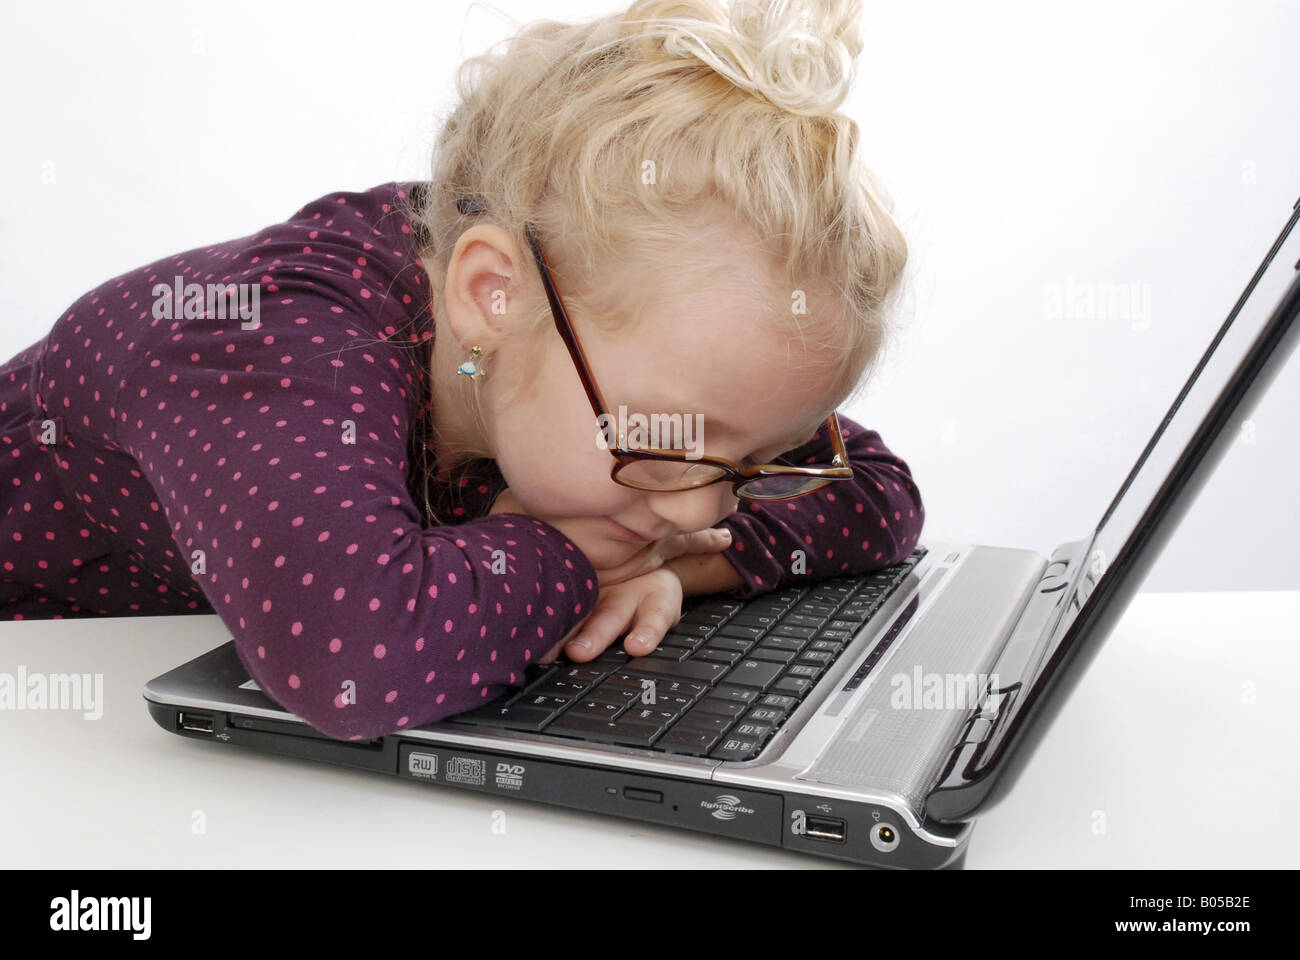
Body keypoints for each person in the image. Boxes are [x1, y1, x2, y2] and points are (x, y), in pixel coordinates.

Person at [0, 0, 923, 741]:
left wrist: (676, 570)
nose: (698, 508)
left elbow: (881, 494)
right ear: (491, 293)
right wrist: (570, 558)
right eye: (661, 440)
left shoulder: (580, 306)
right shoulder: (275, 340)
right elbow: (354, 659)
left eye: (752, 462)